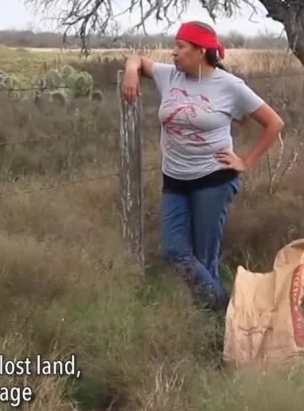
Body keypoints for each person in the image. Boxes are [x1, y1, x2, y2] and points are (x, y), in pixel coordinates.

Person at [120, 20, 284, 313]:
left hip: (213, 180)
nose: (174, 53)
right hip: (175, 179)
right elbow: (136, 59)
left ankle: (212, 327)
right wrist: (132, 71)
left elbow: (274, 123)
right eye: (175, 46)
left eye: (181, 47)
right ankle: (226, 311)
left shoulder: (229, 86)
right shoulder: (169, 76)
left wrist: (245, 161)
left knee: (205, 258)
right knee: (174, 250)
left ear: (201, 51)